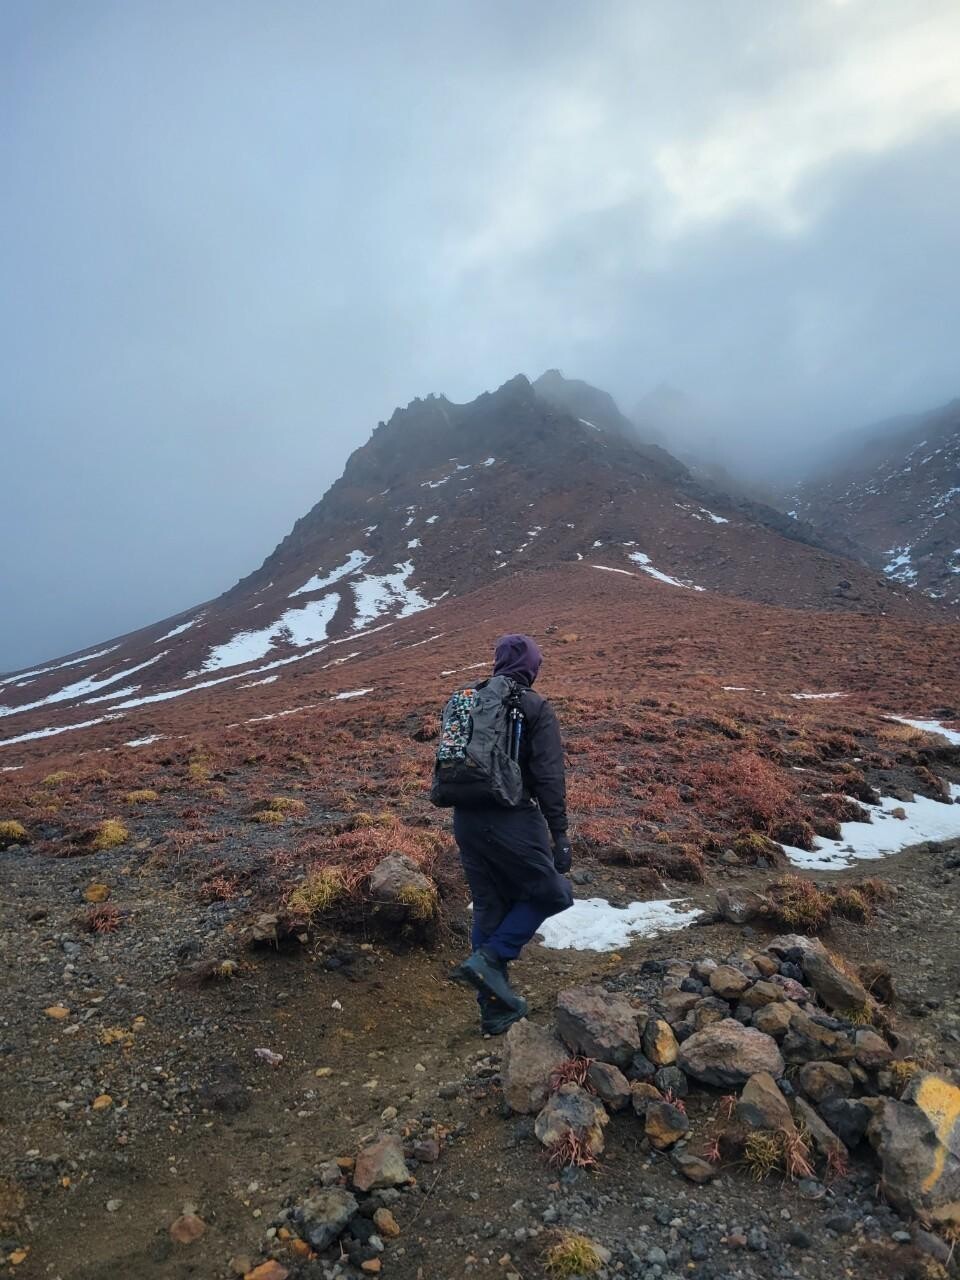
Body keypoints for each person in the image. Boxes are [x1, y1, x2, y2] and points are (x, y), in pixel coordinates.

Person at [449, 633, 573, 1034]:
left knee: (489, 906)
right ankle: (491, 959)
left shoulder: (468, 698)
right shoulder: (534, 706)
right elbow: (549, 778)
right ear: (532, 666)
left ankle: (494, 1010)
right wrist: (560, 834)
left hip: (465, 819)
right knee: (553, 892)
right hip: (512, 817)